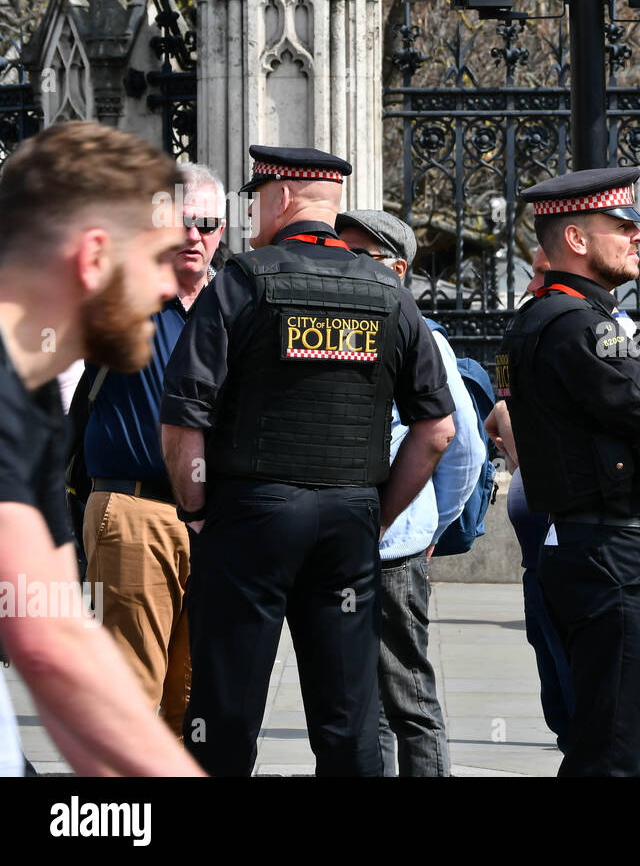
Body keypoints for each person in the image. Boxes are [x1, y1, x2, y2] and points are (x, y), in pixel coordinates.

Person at [160, 146, 458, 776]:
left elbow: (184, 422)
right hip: (347, 521)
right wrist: (376, 516)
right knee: (349, 717)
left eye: (256, 199)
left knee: (225, 712)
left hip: (251, 517)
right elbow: (437, 430)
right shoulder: (390, 292)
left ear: (281, 198)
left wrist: (197, 512)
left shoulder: (240, 282)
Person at [499, 166, 640, 776]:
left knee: (594, 743)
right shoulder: (584, 328)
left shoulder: (544, 318)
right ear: (576, 239)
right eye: (623, 225)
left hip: (578, 548)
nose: (639, 237)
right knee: (617, 753)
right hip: (610, 556)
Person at [0, 120, 201, 775]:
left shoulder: (32, 399)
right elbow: (49, 647)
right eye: (155, 259)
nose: (169, 288)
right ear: (92, 259)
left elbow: (62, 631)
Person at [78, 162, 225, 738]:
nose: (194, 235)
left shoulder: (235, 304)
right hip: (136, 512)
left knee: (195, 695)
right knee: (132, 686)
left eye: (207, 223)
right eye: (181, 222)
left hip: (219, 522)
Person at [336, 208, 484, 776]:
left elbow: (461, 449)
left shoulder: (423, 340)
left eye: (360, 258)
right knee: (356, 698)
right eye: (339, 254)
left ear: (397, 269)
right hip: (337, 543)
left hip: (394, 549)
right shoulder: (337, 332)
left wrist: (427, 526)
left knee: (408, 697)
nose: (345, 269)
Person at [486, 245, 576, 753]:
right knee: (548, 656)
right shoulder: (517, 333)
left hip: (570, 535)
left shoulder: (607, 329)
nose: (527, 286)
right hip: (534, 548)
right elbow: (501, 403)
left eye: (539, 273)